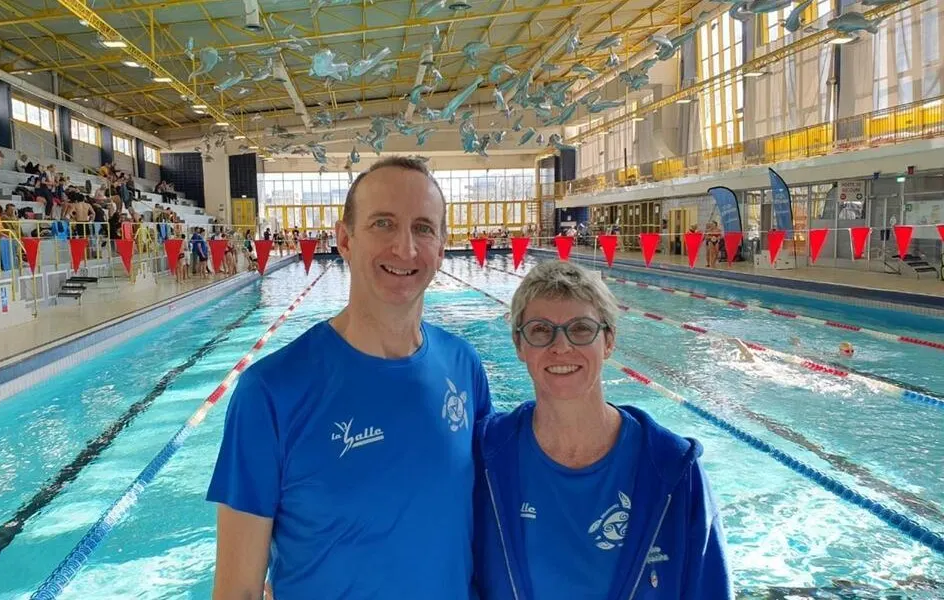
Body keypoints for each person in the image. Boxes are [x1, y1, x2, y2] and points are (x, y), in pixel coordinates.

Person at [207, 157, 492, 599]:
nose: (405, 248)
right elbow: (238, 591)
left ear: (441, 246)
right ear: (344, 239)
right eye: (383, 223)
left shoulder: (464, 366)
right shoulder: (270, 392)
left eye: (423, 227)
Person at [474, 260, 731, 600]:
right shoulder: (486, 455)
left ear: (608, 341)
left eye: (581, 329)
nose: (561, 346)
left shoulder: (673, 469)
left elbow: (708, 589)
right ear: (519, 345)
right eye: (540, 330)